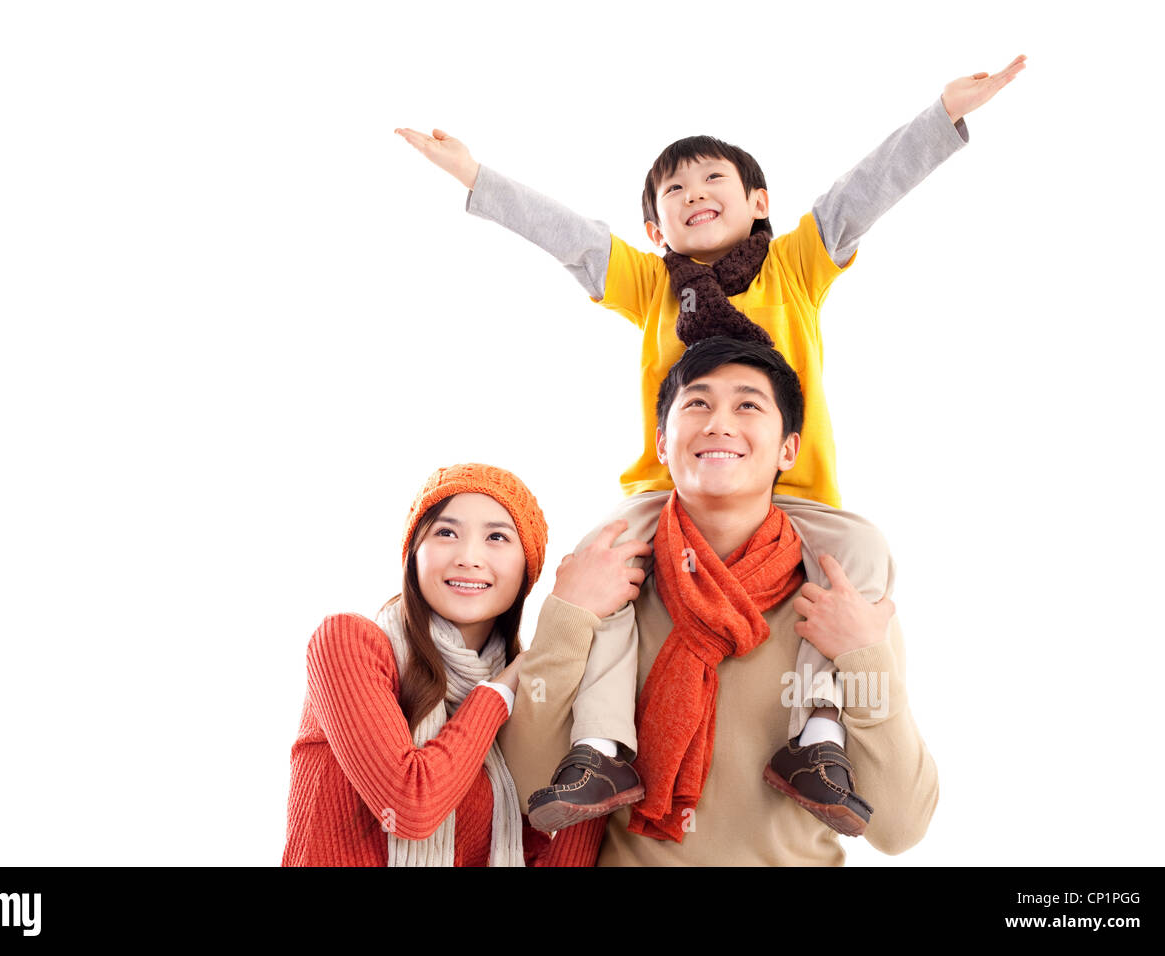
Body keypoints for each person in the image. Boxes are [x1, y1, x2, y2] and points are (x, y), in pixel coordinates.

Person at [395, 55, 1022, 832]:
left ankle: (818, 737)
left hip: (796, 498)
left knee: (860, 554)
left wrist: (942, 117)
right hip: (667, 495)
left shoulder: (795, 264)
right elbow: (569, 237)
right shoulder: (649, 283)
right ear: (655, 228)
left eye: (714, 182)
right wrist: (476, 178)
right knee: (605, 572)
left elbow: (862, 194)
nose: (696, 196)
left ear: (759, 203)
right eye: (675, 191)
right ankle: (601, 745)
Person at [498, 336, 938, 864]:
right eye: (697, 403)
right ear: (662, 443)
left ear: (788, 449)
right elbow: (528, 788)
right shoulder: (609, 586)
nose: (718, 423)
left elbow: (900, 828)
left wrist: (866, 655)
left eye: (748, 405)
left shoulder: (842, 601)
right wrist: (566, 615)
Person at [281, 463, 602, 866]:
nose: (469, 558)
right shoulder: (346, 643)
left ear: (527, 568)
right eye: (446, 532)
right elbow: (411, 806)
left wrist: (594, 777)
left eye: (497, 537)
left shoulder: (521, 712)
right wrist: (511, 679)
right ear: (414, 554)